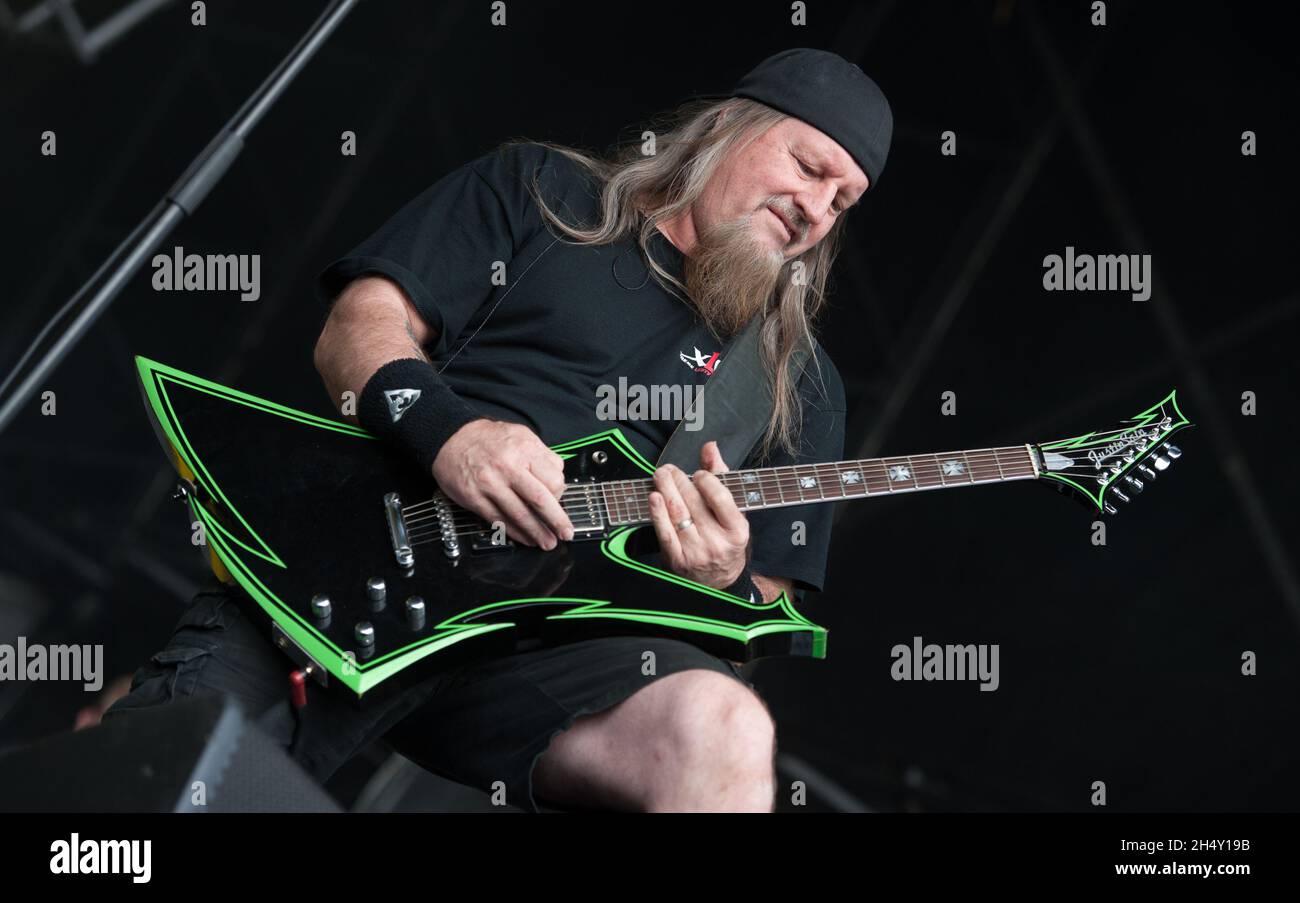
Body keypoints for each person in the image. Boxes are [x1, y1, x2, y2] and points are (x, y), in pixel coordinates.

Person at [104, 48, 893, 813]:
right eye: (809, 167)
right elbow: (356, 327)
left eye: (842, 202)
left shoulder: (799, 382)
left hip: (550, 650)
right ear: (729, 124)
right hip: (357, 562)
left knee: (728, 730)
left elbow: (763, 611)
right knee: (144, 793)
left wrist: (724, 579)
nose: (816, 208)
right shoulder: (545, 192)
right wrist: (453, 435)